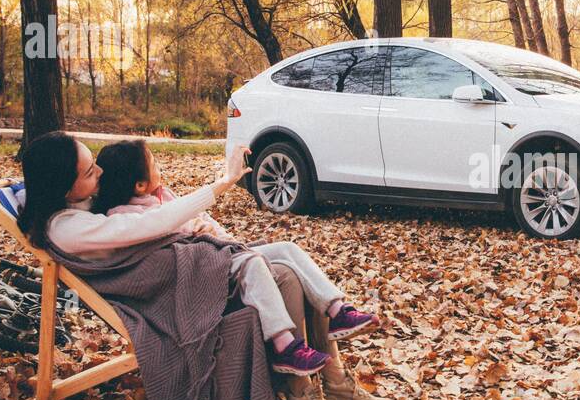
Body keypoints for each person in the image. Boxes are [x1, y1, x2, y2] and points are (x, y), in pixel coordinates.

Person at [17, 132, 391, 400]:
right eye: (89, 171)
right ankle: (301, 398)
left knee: (287, 260)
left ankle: (334, 384)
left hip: (191, 265)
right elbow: (147, 227)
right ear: (63, 187)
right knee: (283, 276)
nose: (99, 173)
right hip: (172, 291)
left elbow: (144, 206)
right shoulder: (68, 228)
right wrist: (221, 185)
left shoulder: (81, 204)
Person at [93, 139, 379, 342]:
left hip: (226, 249)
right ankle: (286, 347)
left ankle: (337, 309)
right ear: (139, 184)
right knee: (282, 272)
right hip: (209, 266)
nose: (160, 165)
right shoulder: (125, 217)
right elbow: (172, 237)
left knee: (287, 249)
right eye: (153, 162)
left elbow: (202, 220)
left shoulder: (162, 195)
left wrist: (224, 235)